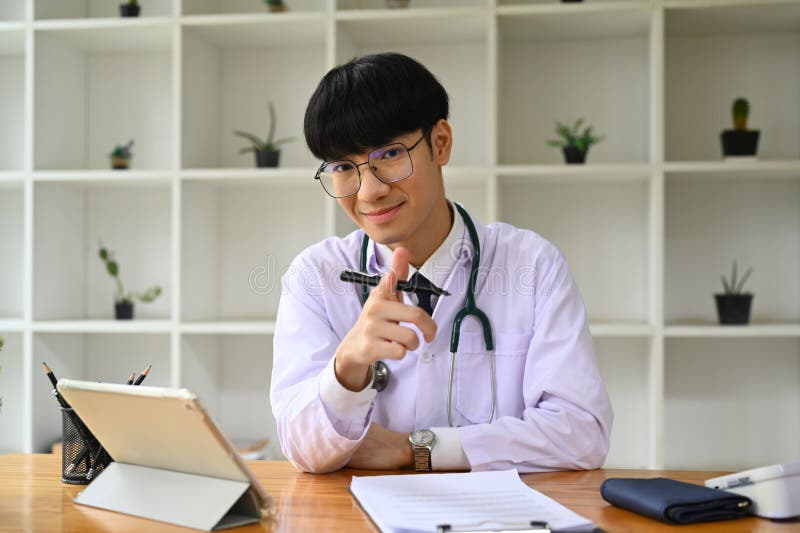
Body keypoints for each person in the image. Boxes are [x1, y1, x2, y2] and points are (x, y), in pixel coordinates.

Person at [269, 52, 613, 474]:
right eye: (343, 166)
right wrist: (348, 368)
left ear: (441, 143)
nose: (369, 191)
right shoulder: (315, 276)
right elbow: (303, 451)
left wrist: (415, 449)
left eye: (390, 154)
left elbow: (582, 434)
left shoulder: (533, 266)